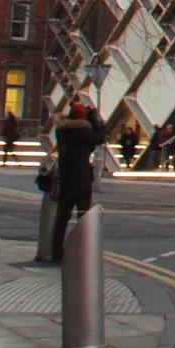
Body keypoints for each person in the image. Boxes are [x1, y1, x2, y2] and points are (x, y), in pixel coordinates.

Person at [52, 97, 108, 261]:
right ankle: (82, 253)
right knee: (83, 218)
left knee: (62, 218)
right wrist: (93, 119)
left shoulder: (61, 131)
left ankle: (56, 252)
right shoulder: (84, 131)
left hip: (65, 177)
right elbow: (100, 137)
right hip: (81, 178)